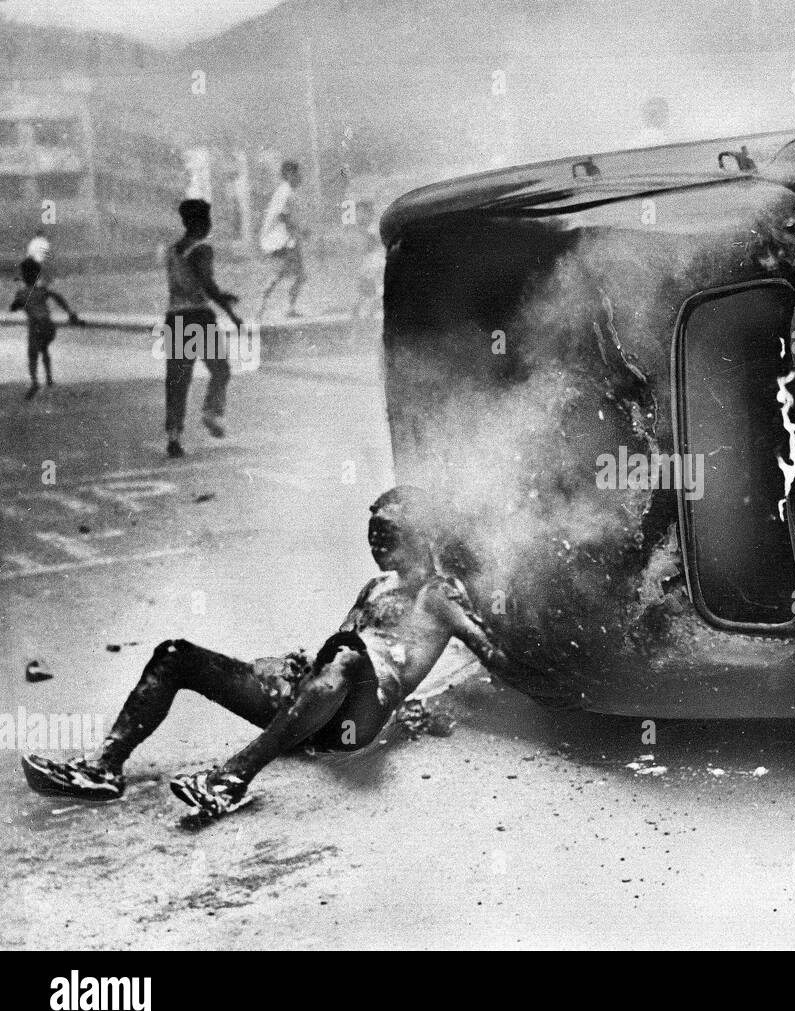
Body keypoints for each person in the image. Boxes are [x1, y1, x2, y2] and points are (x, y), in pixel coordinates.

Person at [21, 487, 510, 821]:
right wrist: (286, 666)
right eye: (373, 536)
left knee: (348, 658)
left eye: (388, 535)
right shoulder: (375, 587)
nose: (377, 545)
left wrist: (449, 699)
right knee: (176, 655)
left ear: (421, 535)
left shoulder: (439, 594)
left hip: (357, 721)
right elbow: (334, 649)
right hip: (317, 705)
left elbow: (490, 653)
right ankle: (103, 768)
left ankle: (230, 781)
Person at [163, 198, 243, 458]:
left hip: (175, 318)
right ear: (199, 222)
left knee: (177, 379)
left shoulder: (173, 250)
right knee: (220, 369)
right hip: (199, 315)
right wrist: (230, 312)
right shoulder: (203, 248)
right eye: (208, 220)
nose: (210, 225)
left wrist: (222, 296)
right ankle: (211, 412)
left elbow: (190, 280)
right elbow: (206, 283)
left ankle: (174, 436)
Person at [9, 257, 81, 400]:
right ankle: (48, 377)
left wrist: (17, 304)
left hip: (36, 326)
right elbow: (58, 297)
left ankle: (35, 382)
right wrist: (70, 313)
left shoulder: (21, 293)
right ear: (37, 276)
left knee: (33, 355)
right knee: (44, 349)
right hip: (49, 326)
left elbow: (14, 308)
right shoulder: (42, 290)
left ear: (23, 276)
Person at [258, 159, 307, 318]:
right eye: (297, 173)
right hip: (281, 240)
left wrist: (299, 232)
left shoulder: (288, 191)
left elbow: (288, 217)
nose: (300, 176)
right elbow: (284, 216)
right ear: (289, 174)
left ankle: (287, 308)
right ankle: (262, 307)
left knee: (297, 274)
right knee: (281, 274)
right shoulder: (285, 191)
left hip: (287, 239)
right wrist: (298, 232)